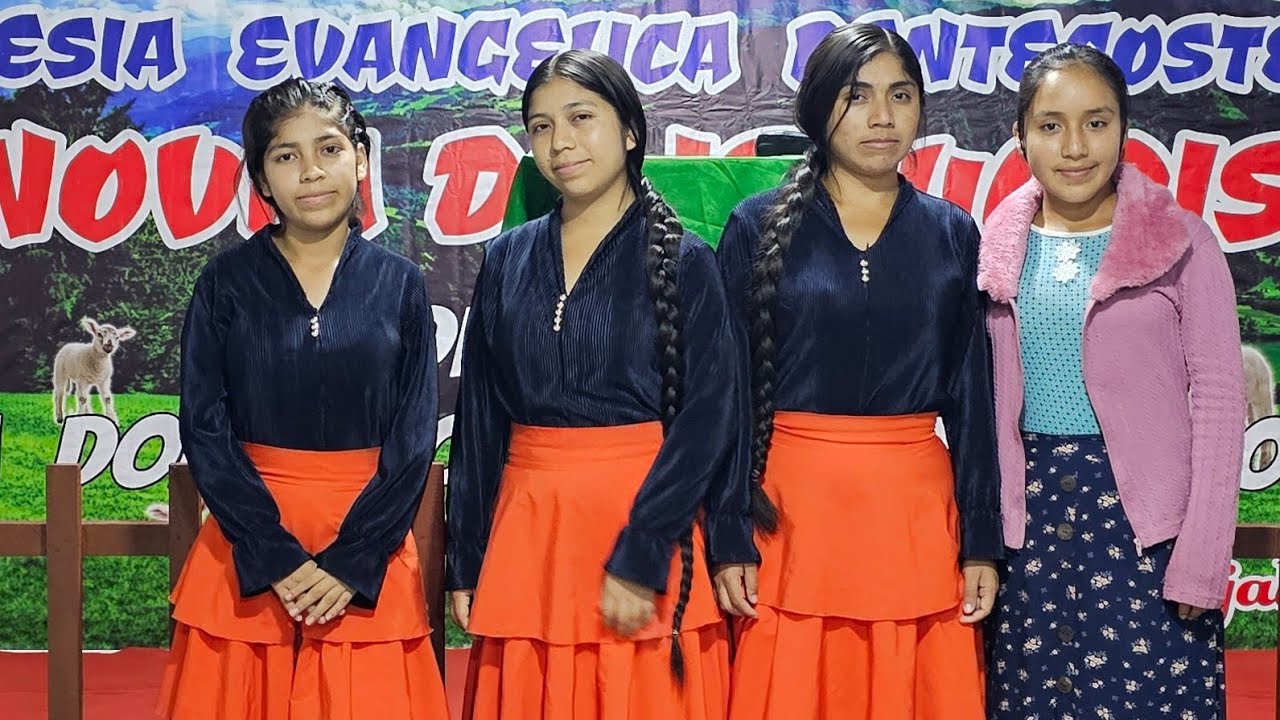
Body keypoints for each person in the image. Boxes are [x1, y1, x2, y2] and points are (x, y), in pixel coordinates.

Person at [714, 22, 1001, 720]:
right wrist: (727, 533)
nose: (881, 117)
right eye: (857, 95)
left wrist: (982, 541)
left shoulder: (952, 231)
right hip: (788, 522)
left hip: (915, 520)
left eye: (900, 95)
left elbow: (972, 400)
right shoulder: (755, 226)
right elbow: (725, 396)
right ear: (819, 109)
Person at [445, 49, 742, 719]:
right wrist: (465, 558)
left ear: (631, 130)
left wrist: (643, 546)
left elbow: (707, 419)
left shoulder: (685, 260)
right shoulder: (505, 258)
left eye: (581, 118)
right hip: (530, 536)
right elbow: (481, 421)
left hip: (644, 526)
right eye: (541, 127)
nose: (561, 142)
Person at [157, 78, 448, 720]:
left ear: (362, 159)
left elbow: (412, 436)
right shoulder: (225, 282)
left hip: (367, 548)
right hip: (248, 546)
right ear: (262, 180)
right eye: (285, 156)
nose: (311, 171)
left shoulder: (400, 283)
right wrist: (272, 554)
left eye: (329, 149)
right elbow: (205, 425)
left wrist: (353, 560)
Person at [979, 42, 1244, 719]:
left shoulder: (1184, 243)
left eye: (1096, 122)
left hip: (1147, 533)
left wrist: (1201, 559)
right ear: (1020, 136)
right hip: (1029, 534)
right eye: (1050, 125)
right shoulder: (992, 250)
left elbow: (1220, 404)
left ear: (1124, 131)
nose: (1075, 146)